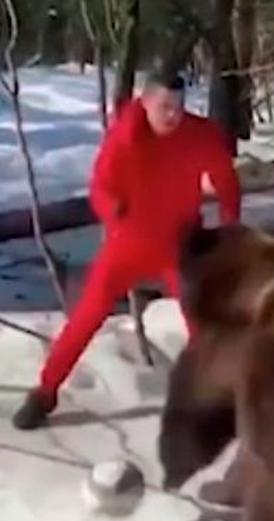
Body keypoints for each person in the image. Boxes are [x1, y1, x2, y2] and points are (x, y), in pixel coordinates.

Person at [11, 71, 241, 431]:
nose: (172, 115)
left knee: (202, 322)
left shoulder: (201, 136)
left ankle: (219, 400)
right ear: (145, 103)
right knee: (85, 318)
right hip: (127, 246)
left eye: (178, 107)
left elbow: (227, 180)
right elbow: (99, 187)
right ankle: (45, 391)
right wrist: (113, 209)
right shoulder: (125, 136)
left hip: (178, 244)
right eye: (164, 107)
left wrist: (230, 224)